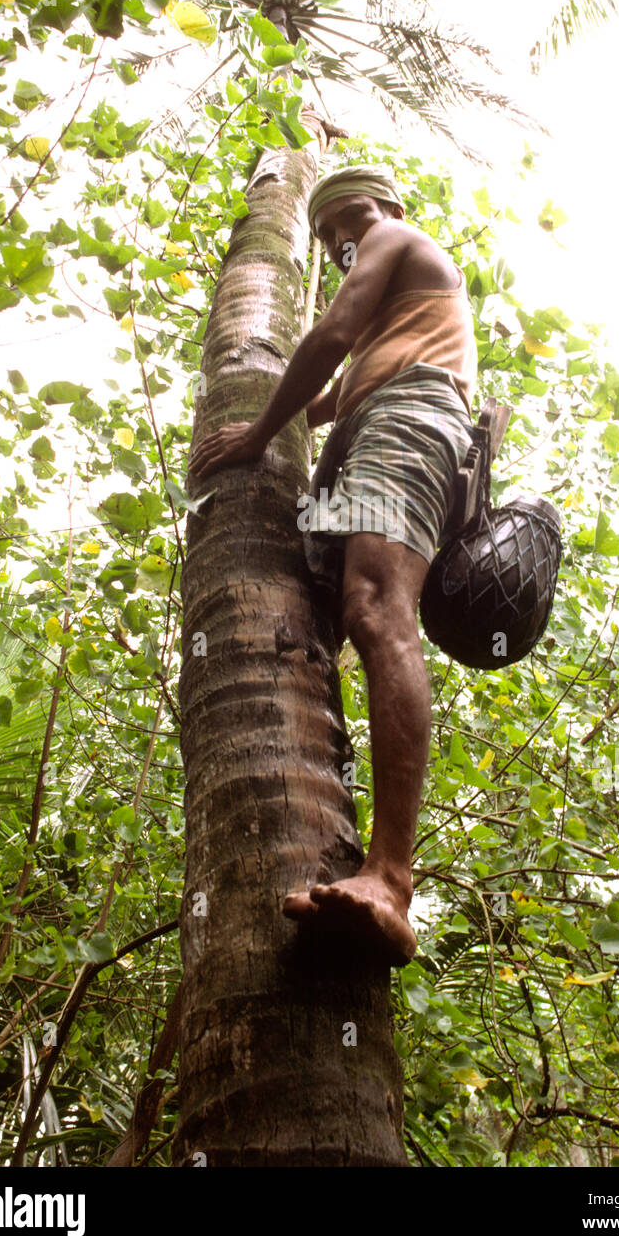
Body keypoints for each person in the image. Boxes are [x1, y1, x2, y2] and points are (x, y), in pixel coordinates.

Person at [188, 164, 478, 965]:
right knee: (328, 613)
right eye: (324, 232)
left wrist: (252, 437)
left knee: (378, 608)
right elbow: (330, 389)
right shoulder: (398, 316)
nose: (339, 236)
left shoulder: (396, 238)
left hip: (411, 414)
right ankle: (351, 848)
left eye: (346, 218)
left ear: (385, 208)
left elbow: (329, 339)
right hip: (372, 422)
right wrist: (254, 403)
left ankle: (390, 876)